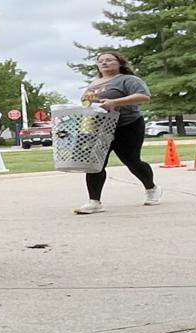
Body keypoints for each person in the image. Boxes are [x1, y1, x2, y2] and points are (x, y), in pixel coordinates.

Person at [73, 51, 160, 215]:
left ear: (120, 63)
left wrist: (115, 102)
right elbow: (86, 103)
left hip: (127, 124)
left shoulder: (127, 80)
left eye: (109, 60)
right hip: (100, 128)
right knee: (95, 163)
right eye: (101, 61)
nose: (104, 63)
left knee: (132, 160)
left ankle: (151, 188)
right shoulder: (94, 84)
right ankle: (94, 201)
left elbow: (144, 96)